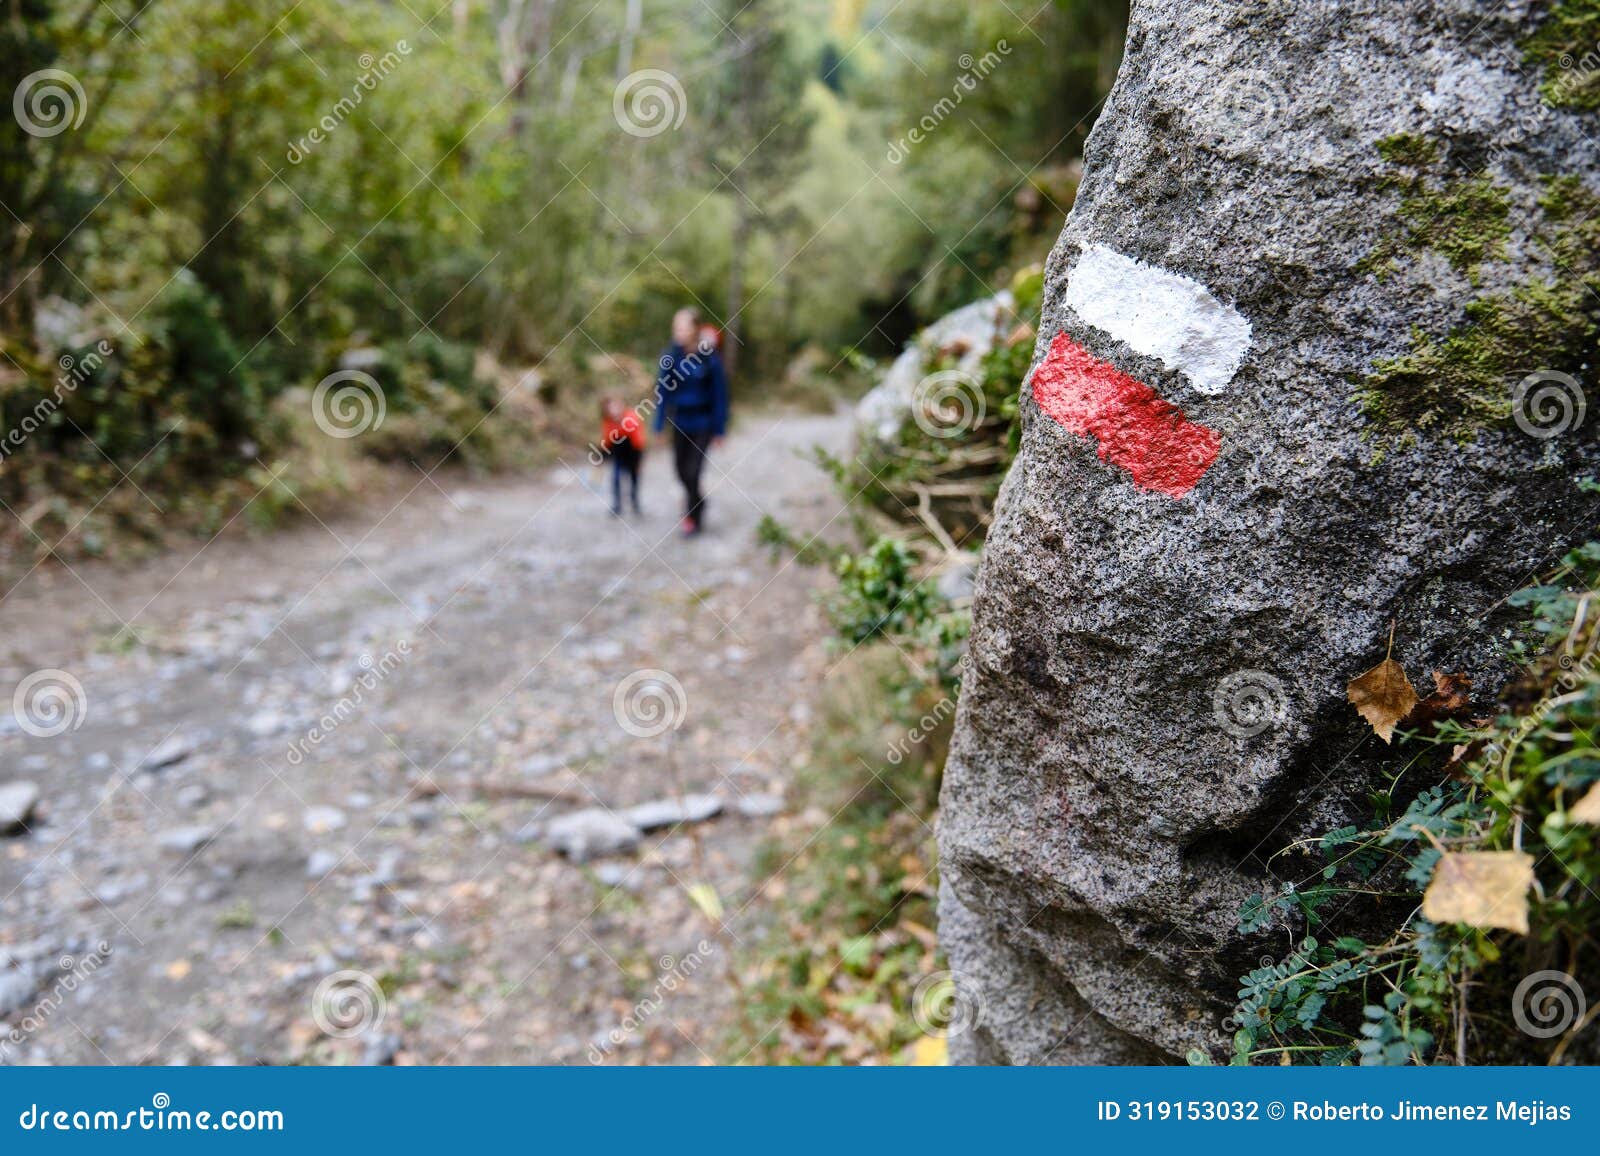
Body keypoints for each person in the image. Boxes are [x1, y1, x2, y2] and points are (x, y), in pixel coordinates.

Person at [654, 307, 729, 536]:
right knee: (680, 471)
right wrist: (658, 424)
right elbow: (663, 391)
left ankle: (692, 517)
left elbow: (720, 395)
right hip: (679, 421)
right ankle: (699, 501)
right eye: (675, 327)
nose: (678, 331)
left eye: (683, 327)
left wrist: (720, 429)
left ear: (695, 328)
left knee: (693, 472)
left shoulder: (709, 359)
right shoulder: (670, 357)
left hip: (702, 423)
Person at [599, 395, 645, 517]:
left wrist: (638, 461)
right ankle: (617, 505)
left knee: (634, 479)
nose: (613, 410)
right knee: (615, 478)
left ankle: (635, 503)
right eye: (610, 408)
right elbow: (607, 441)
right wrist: (602, 456)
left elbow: (638, 442)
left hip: (633, 454)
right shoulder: (608, 422)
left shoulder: (631, 418)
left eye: (615, 407)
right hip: (619, 455)